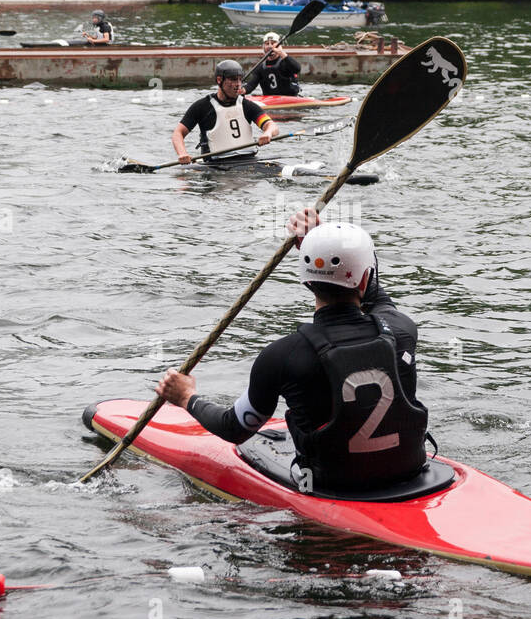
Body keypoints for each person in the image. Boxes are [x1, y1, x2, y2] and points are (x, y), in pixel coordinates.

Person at [155, 210, 429, 492]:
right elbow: (373, 290)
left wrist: (186, 397)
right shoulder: (402, 329)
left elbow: (234, 429)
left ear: (306, 280)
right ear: (362, 279)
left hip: (330, 485)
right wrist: (320, 243)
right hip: (410, 474)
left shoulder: (282, 356)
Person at [171, 60, 279, 164]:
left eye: (239, 79)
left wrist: (268, 133)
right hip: (216, 164)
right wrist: (182, 154)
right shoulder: (202, 107)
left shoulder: (247, 106)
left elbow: (271, 125)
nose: (238, 84)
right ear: (219, 80)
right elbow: (178, 133)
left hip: (248, 160)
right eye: (232, 79)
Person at [243, 32, 301, 96]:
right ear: (263, 47)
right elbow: (251, 85)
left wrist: (281, 53)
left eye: (273, 43)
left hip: (289, 98)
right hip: (270, 100)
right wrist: (242, 90)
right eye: (267, 44)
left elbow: (297, 69)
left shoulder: (285, 63)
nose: (270, 46)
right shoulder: (260, 67)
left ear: (279, 46)